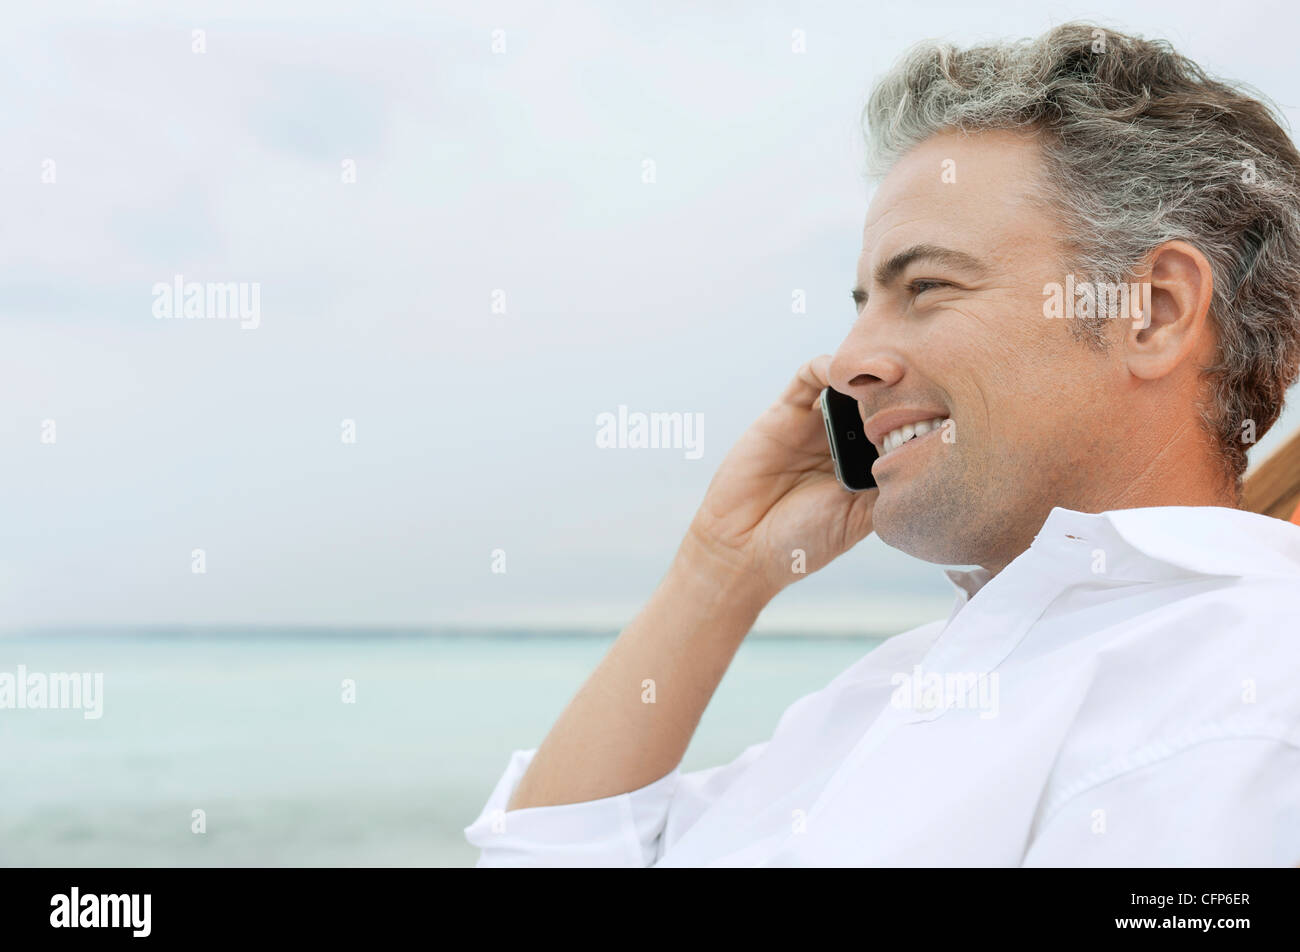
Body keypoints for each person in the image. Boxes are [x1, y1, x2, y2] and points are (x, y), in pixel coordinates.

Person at [465, 21, 1300, 866]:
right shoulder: (890, 690)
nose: (848, 361)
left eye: (927, 285)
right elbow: (548, 850)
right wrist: (717, 573)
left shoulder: (1244, 689)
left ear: (1152, 311)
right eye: (863, 300)